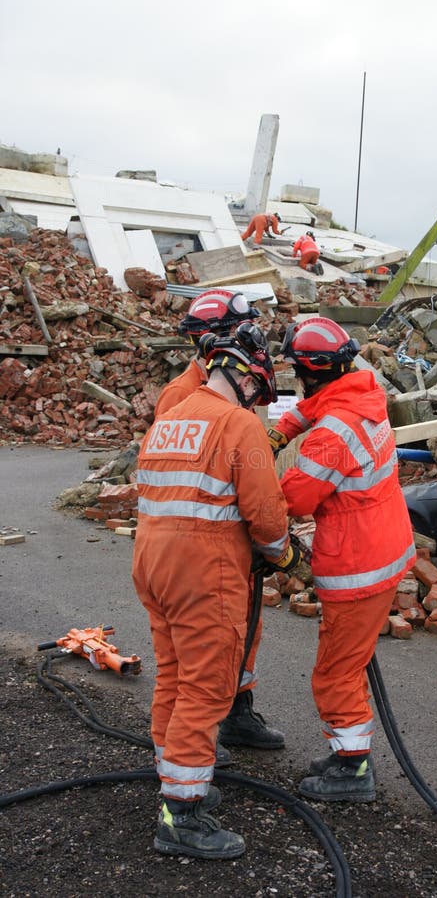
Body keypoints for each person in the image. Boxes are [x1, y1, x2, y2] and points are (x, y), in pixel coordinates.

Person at [132, 323, 302, 859]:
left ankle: (173, 777)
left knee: (174, 675)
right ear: (248, 380)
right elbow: (264, 512)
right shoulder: (237, 424)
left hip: (153, 565)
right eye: (258, 394)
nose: (257, 405)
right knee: (206, 689)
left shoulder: (170, 417)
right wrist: (285, 554)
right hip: (204, 573)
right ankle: (181, 815)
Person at [277, 318, 416, 802]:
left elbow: (296, 498)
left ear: (307, 373)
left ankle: (353, 767)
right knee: (349, 662)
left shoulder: (332, 435)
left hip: (357, 564)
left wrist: (254, 490)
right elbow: (316, 407)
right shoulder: (363, 394)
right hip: (385, 546)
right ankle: (347, 755)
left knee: (336, 671)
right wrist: (281, 431)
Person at [153, 290, 286, 754]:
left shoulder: (236, 383)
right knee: (197, 648)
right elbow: (182, 482)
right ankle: (191, 744)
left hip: (231, 540)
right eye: (238, 331)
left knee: (243, 629)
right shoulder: (182, 395)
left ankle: (236, 712)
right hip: (202, 547)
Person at [153, 289, 260, 419]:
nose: (243, 342)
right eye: (235, 333)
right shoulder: (180, 392)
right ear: (209, 338)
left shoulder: (238, 381)